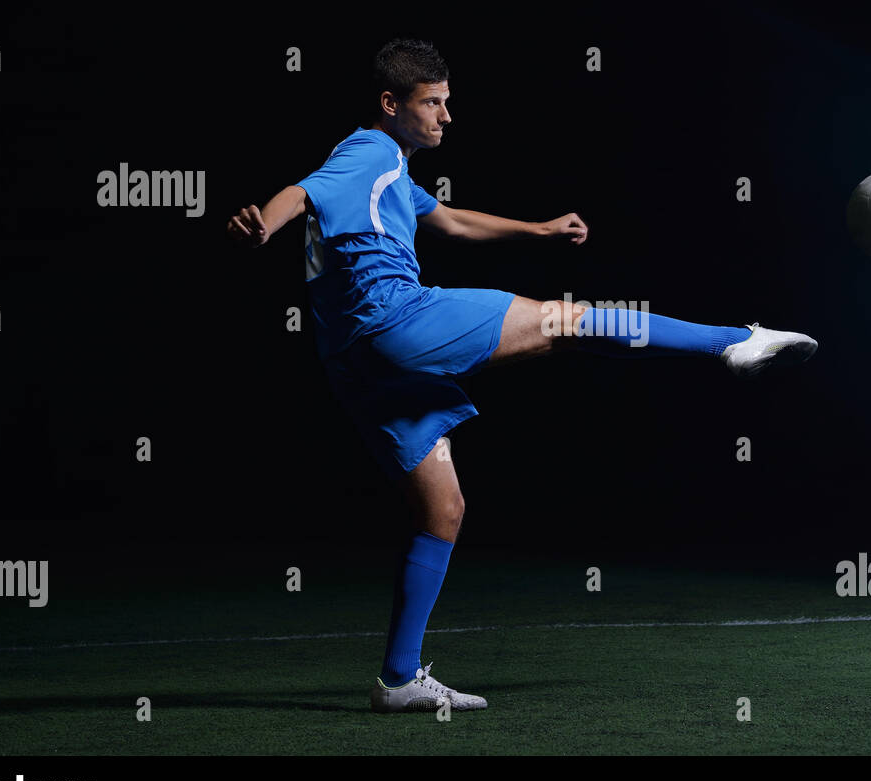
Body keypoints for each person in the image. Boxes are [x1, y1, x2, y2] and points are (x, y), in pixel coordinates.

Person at [227, 38, 817, 713]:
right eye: (433, 103)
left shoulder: (391, 167)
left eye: (448, 102)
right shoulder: (365, 151)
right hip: (397, 319)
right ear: (390, 104)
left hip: (354, 361)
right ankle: (733, 341)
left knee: (442, 510)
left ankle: (397, 678)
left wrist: (537, 230)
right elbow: (303, 192)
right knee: (571, 322)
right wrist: (262, 226)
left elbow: (448, 219)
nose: (447, 116)